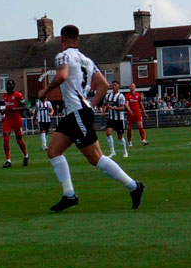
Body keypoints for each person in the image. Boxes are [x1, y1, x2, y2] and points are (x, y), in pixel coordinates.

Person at [40, 24, 146, 212]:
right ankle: (69, 194)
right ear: (78, 39)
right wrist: (91, 104)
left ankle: (134, 186)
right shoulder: (86, 60)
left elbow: (62, 75)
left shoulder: (62, 56)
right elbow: (103, 85)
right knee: (53, 151)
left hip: (77, 112)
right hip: (76, 112)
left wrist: (45, 91)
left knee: (95, 158)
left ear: (62, 39)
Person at [0, 80, 30, 168]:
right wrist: (4, 111)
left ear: (13, 86)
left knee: (19, 140)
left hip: (17, 120)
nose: (8, 86)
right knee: (5, 139)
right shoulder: (5, 96)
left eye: (10, 84)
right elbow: (8, 107)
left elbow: (26, 107)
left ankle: (26, 155)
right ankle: (8, 160)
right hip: (8, 120)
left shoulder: (18, 95)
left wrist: (15, 109)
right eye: (7, 84)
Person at [102, 80, 129, 158]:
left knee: (120, 136)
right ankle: (112, 151)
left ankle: (125, 151)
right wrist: (103, 111)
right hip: (111, 118)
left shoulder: (121, 96)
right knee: (108, 133)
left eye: (115, 85)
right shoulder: (108, 96)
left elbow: (123, 107)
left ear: (118, 86)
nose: (113, 86)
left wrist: (113, 108)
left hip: (119, 119)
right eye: (112, 85)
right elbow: (104, 104)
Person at [124, 82, 149, 148]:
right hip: (130, 114)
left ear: (135, 87)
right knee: (129, 128)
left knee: (140, 126)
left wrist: (144, 113)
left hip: (137, 113)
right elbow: (126, 104)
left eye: (133, 86)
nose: (131, 87)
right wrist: (130, 111)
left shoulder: (138, 95)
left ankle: (143, 140)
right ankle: (129, 142)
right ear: (129, 88)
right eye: (130, 86)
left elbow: (141, 105)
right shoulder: (127, 95)